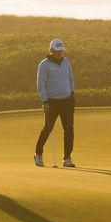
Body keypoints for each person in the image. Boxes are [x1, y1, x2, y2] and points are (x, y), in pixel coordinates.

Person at [35, 37, 76, 167]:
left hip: (67, 101)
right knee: (48, 129)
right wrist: (45, 101)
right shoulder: (44, 65)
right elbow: (41, 84)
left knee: (69, 130)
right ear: (51, 50)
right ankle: (38, 154)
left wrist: (72, 94)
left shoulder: (66, 62)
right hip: (52, 102)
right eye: (57, 51)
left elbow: (71, 79)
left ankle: (67, 158)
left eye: (61, 51)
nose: (60, 53)